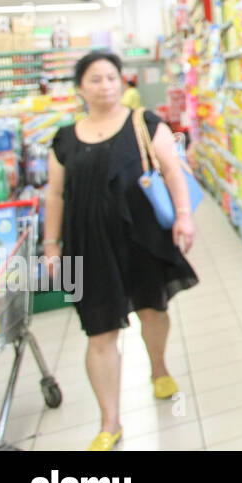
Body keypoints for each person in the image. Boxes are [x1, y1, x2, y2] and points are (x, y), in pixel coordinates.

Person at [45, 51, 199, 451]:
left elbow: (173, 168)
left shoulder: (144, 123)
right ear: (80, 87)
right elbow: (56, 195)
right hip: (86, 244)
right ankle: (110, 421)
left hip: (142, 234)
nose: (105, 85)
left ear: (122, 82)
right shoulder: (64, 139)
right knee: (98, 331)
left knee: (153, 307)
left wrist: (184, 215)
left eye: (112, 77)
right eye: (95, 79)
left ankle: (159, 368)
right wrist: (50, 244)